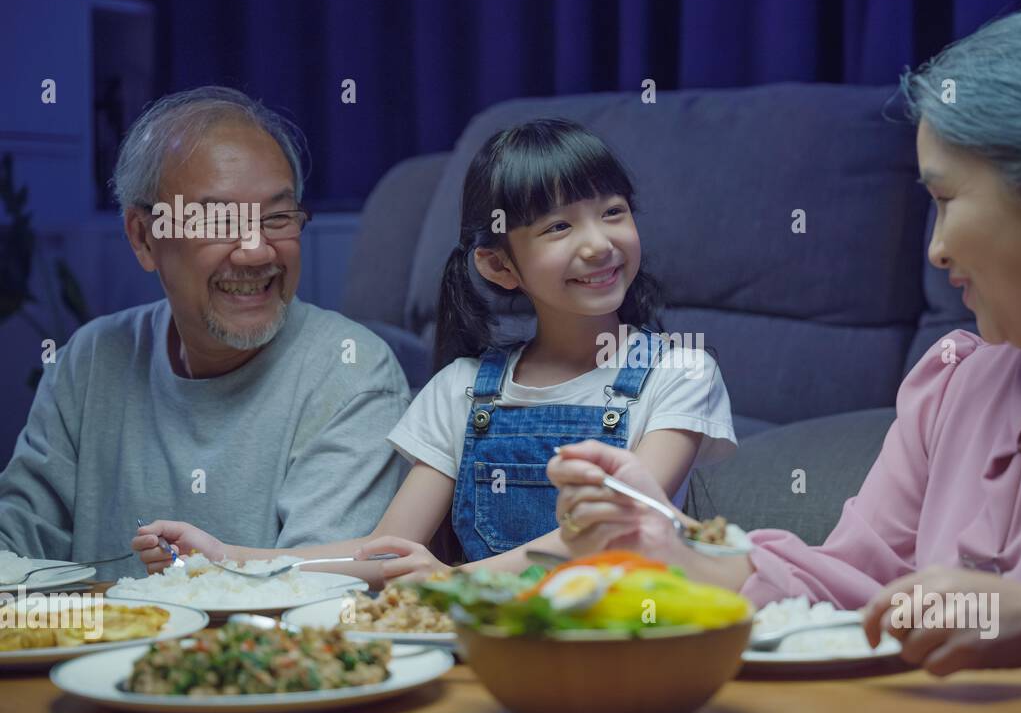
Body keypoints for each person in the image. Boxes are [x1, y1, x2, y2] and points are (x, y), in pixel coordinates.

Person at [546, 7, 1021, 698]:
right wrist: (657, 539)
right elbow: (850, 586)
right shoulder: (953, 387)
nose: (936, 250)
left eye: (944, 199)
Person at [135, 119, 735, 579]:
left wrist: (453, 584)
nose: (599, 244)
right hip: (485, 650)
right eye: (559, 227)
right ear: (500, 265)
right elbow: (385, 555)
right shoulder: (460, 391)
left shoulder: (679, 373)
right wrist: (230, 558)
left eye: (613, 213)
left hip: (624, 638)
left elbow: (615, 531)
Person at [0, 86, 411, 580]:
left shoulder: (352, 372)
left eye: (277, 217)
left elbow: (315, 597)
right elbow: (13, 552)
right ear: (143, 237)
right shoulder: (89, 360)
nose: (256, 251)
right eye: (216, 220)